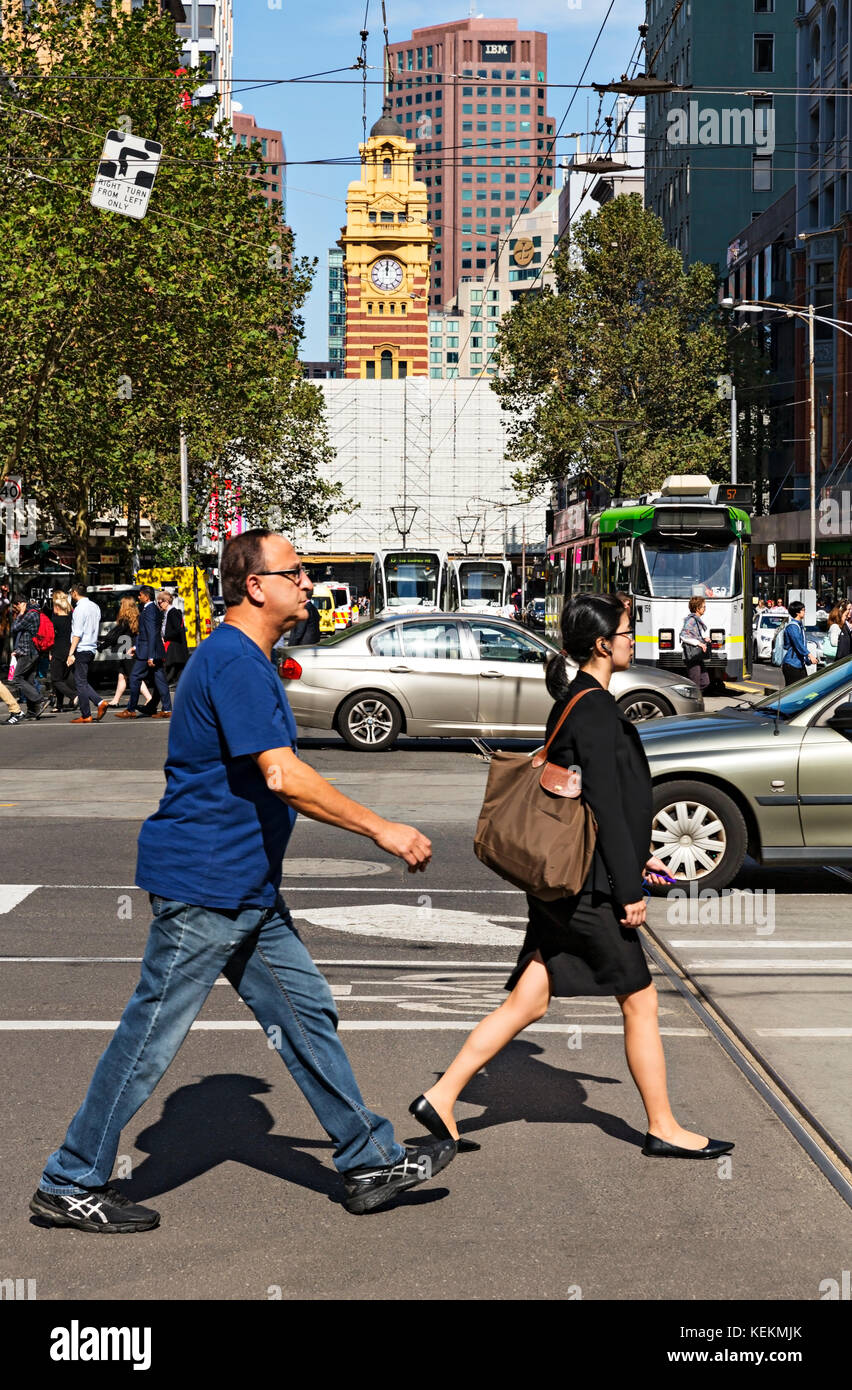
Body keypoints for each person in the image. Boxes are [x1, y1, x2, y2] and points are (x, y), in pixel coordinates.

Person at [31, 528, 455, 1233]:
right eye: (297, 572)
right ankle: (69, 1179)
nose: (309, 584)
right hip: (205, 886)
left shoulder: (248, 657)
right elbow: (282, 774)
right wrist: (381, 827)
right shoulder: (232, 659)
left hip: (243, 887)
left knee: (305, 1012)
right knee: (150, 1037)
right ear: (256, 585)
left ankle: (367, 1158)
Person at [408, 593, 734, 1162]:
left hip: (565, 879)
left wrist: (638, 858)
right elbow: (604, 800)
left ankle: (441, 1095)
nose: (634, 640)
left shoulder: (578, 699)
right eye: (628, 632)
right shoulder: (595, 708)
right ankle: (664, 1127)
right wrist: (628, 889)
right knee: (640, 1000)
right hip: (587, 885)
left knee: (528, 1004)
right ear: (604, 644)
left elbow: (593, 801)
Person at [114, 586, 172, 720]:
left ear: (146, 596)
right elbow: (146, 633)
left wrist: (150, 655)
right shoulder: (150, 609)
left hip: (148, 652)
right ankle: (167, 709)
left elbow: (151, 633)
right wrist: (135, 646)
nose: (138, 597)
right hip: (149, 649)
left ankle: (131, 709)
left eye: (140, 595)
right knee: (160, 680)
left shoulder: (150, 610)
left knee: (134, 677)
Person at [98, 595, 152, 709]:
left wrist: (102, 646)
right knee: (122, 676)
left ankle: (149, 698)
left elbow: (113, 636)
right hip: (132, 650)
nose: (120, 606)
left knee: (134, 676)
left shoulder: (124, 621)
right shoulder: (137, 618)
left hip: (128, 652)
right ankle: (115, 700)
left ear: (125, 606)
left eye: (122, 604)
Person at [67, 582, 109, 724]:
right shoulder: (94, 607)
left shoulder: (79, 609)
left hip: (81, 647)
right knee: (82, 681)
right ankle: (99, 702)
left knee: (79, 682)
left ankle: (86, 714)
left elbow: (77, 633)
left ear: (74, 593)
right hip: (91, 647)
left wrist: (71, 653)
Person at [10, 596, 49, 719]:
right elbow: (25, 634)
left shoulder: (29, 615)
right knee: (29, 681)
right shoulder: (33, 612)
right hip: (29, 652)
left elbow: (14, 628)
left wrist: (20, 614)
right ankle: (32, 711)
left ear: (21, 603)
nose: (15, 610)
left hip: (28, 653)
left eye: (15, 607)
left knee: (17, 678)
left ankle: (39, 699)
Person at [49, 590, 78, 714]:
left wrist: (50, 652)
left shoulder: (54, 621)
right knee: (62, 678)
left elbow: (51, 638)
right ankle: (59, 705)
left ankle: (73, 696)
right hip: (68, 649)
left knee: (56, 679)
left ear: (57, 607)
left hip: (57, 651)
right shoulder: (70, 618)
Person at [679, 595, 710, 693]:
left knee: (705, 681)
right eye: (703, 607)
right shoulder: (691, 620)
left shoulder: (696, 620)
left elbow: (693, 635)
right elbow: (683, 636)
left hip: (697, 656)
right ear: (697, 608)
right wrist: (699, 643)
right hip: (692, 656)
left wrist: (703, 639)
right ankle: (691, 700)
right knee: (695, 683)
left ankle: (692, 695)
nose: (705, 609)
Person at [781, 600, 809, 686]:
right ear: (797, 612)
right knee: (792, 692)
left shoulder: (799, 625)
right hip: (791, 664)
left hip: (799, 664)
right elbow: (798, 643)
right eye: (803, 610)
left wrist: (807, 659)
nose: (805, 612)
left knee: (804, 688)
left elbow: (802, 644)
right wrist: (809, 654)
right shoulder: (792, 626)